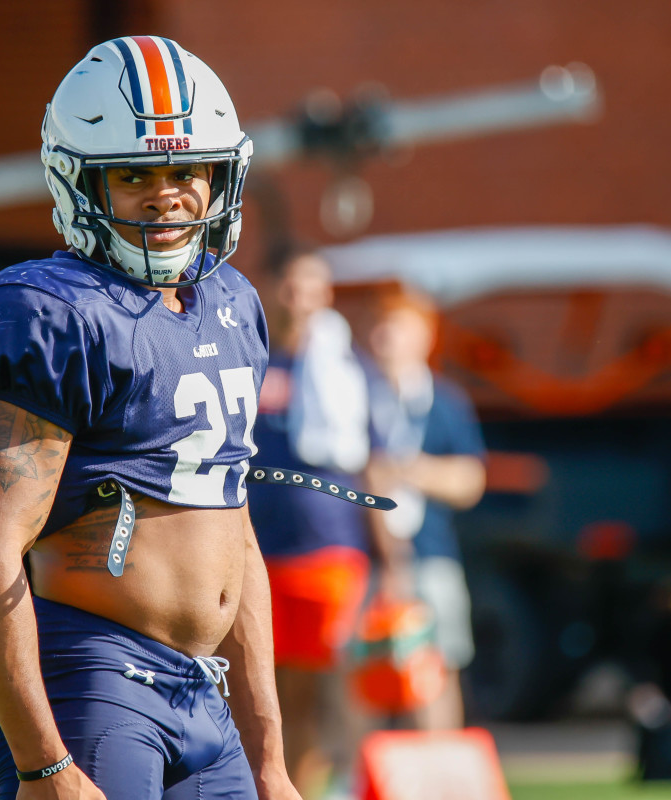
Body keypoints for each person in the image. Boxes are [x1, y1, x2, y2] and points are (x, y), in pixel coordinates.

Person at [0, 36, 303, 800]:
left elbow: (235, 538)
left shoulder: (234, 304)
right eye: (133, 174)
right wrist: (44, 761)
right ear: (78, 183)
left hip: (201, 694)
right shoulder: (53, 312)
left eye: (185, 171)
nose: (166, 194)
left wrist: (271, 757)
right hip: (94, 678)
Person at [246, 248, 372, 798]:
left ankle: (324, 784)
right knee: (264, 689)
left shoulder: (345, 370)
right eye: (292, 284)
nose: (301, 296)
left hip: (326, 548)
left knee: (330, 687)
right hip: (257, 548)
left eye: (312, 285)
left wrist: (393, 551)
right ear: (275, 289)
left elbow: (372, 459)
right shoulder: (250, 358)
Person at [359, 282, 486, 731]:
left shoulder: (444, 402)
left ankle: (440, 775)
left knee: (436, 670)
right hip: (367, 564)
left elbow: (471, 481)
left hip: (430, 557)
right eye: (380, 327)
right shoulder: (356, 398)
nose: (385, 337)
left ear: (425, 336)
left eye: (398, 327)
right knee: (361, 677)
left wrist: (408, 470)